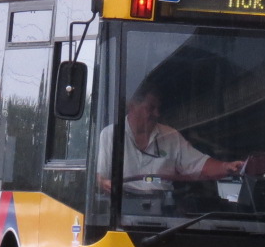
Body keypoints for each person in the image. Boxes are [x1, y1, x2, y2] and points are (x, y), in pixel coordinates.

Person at [97, 83, 244, 194]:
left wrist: (225, 167)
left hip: (164, 212)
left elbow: (199, 165)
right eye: (151, 108)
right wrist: (104, 183)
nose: (157, 113)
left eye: (158, 108)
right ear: (132, 106)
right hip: (122, 208)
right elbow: (99, 176)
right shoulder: (110, 135)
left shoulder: (170, 136)